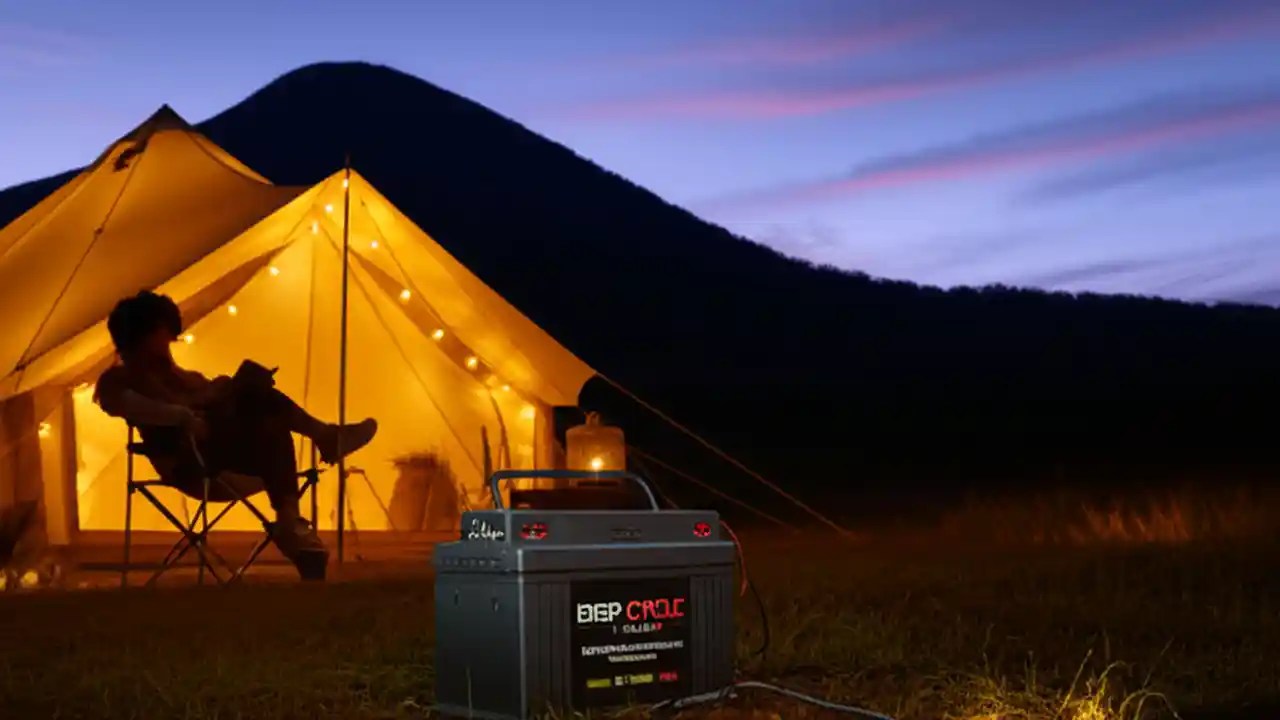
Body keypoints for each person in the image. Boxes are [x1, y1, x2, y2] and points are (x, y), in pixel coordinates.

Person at [93, 291, 377, 580]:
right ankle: (321, 449)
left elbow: (201, 396)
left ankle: (292, 520)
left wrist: (215, 391)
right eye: (162, 334)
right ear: (141, 335)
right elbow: (124, 404)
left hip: (225, 449)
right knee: (256, 395)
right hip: (192, 461)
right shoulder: (119, 379)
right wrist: (186, 414)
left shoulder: (181, 376)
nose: (168, 343)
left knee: (264, 410)